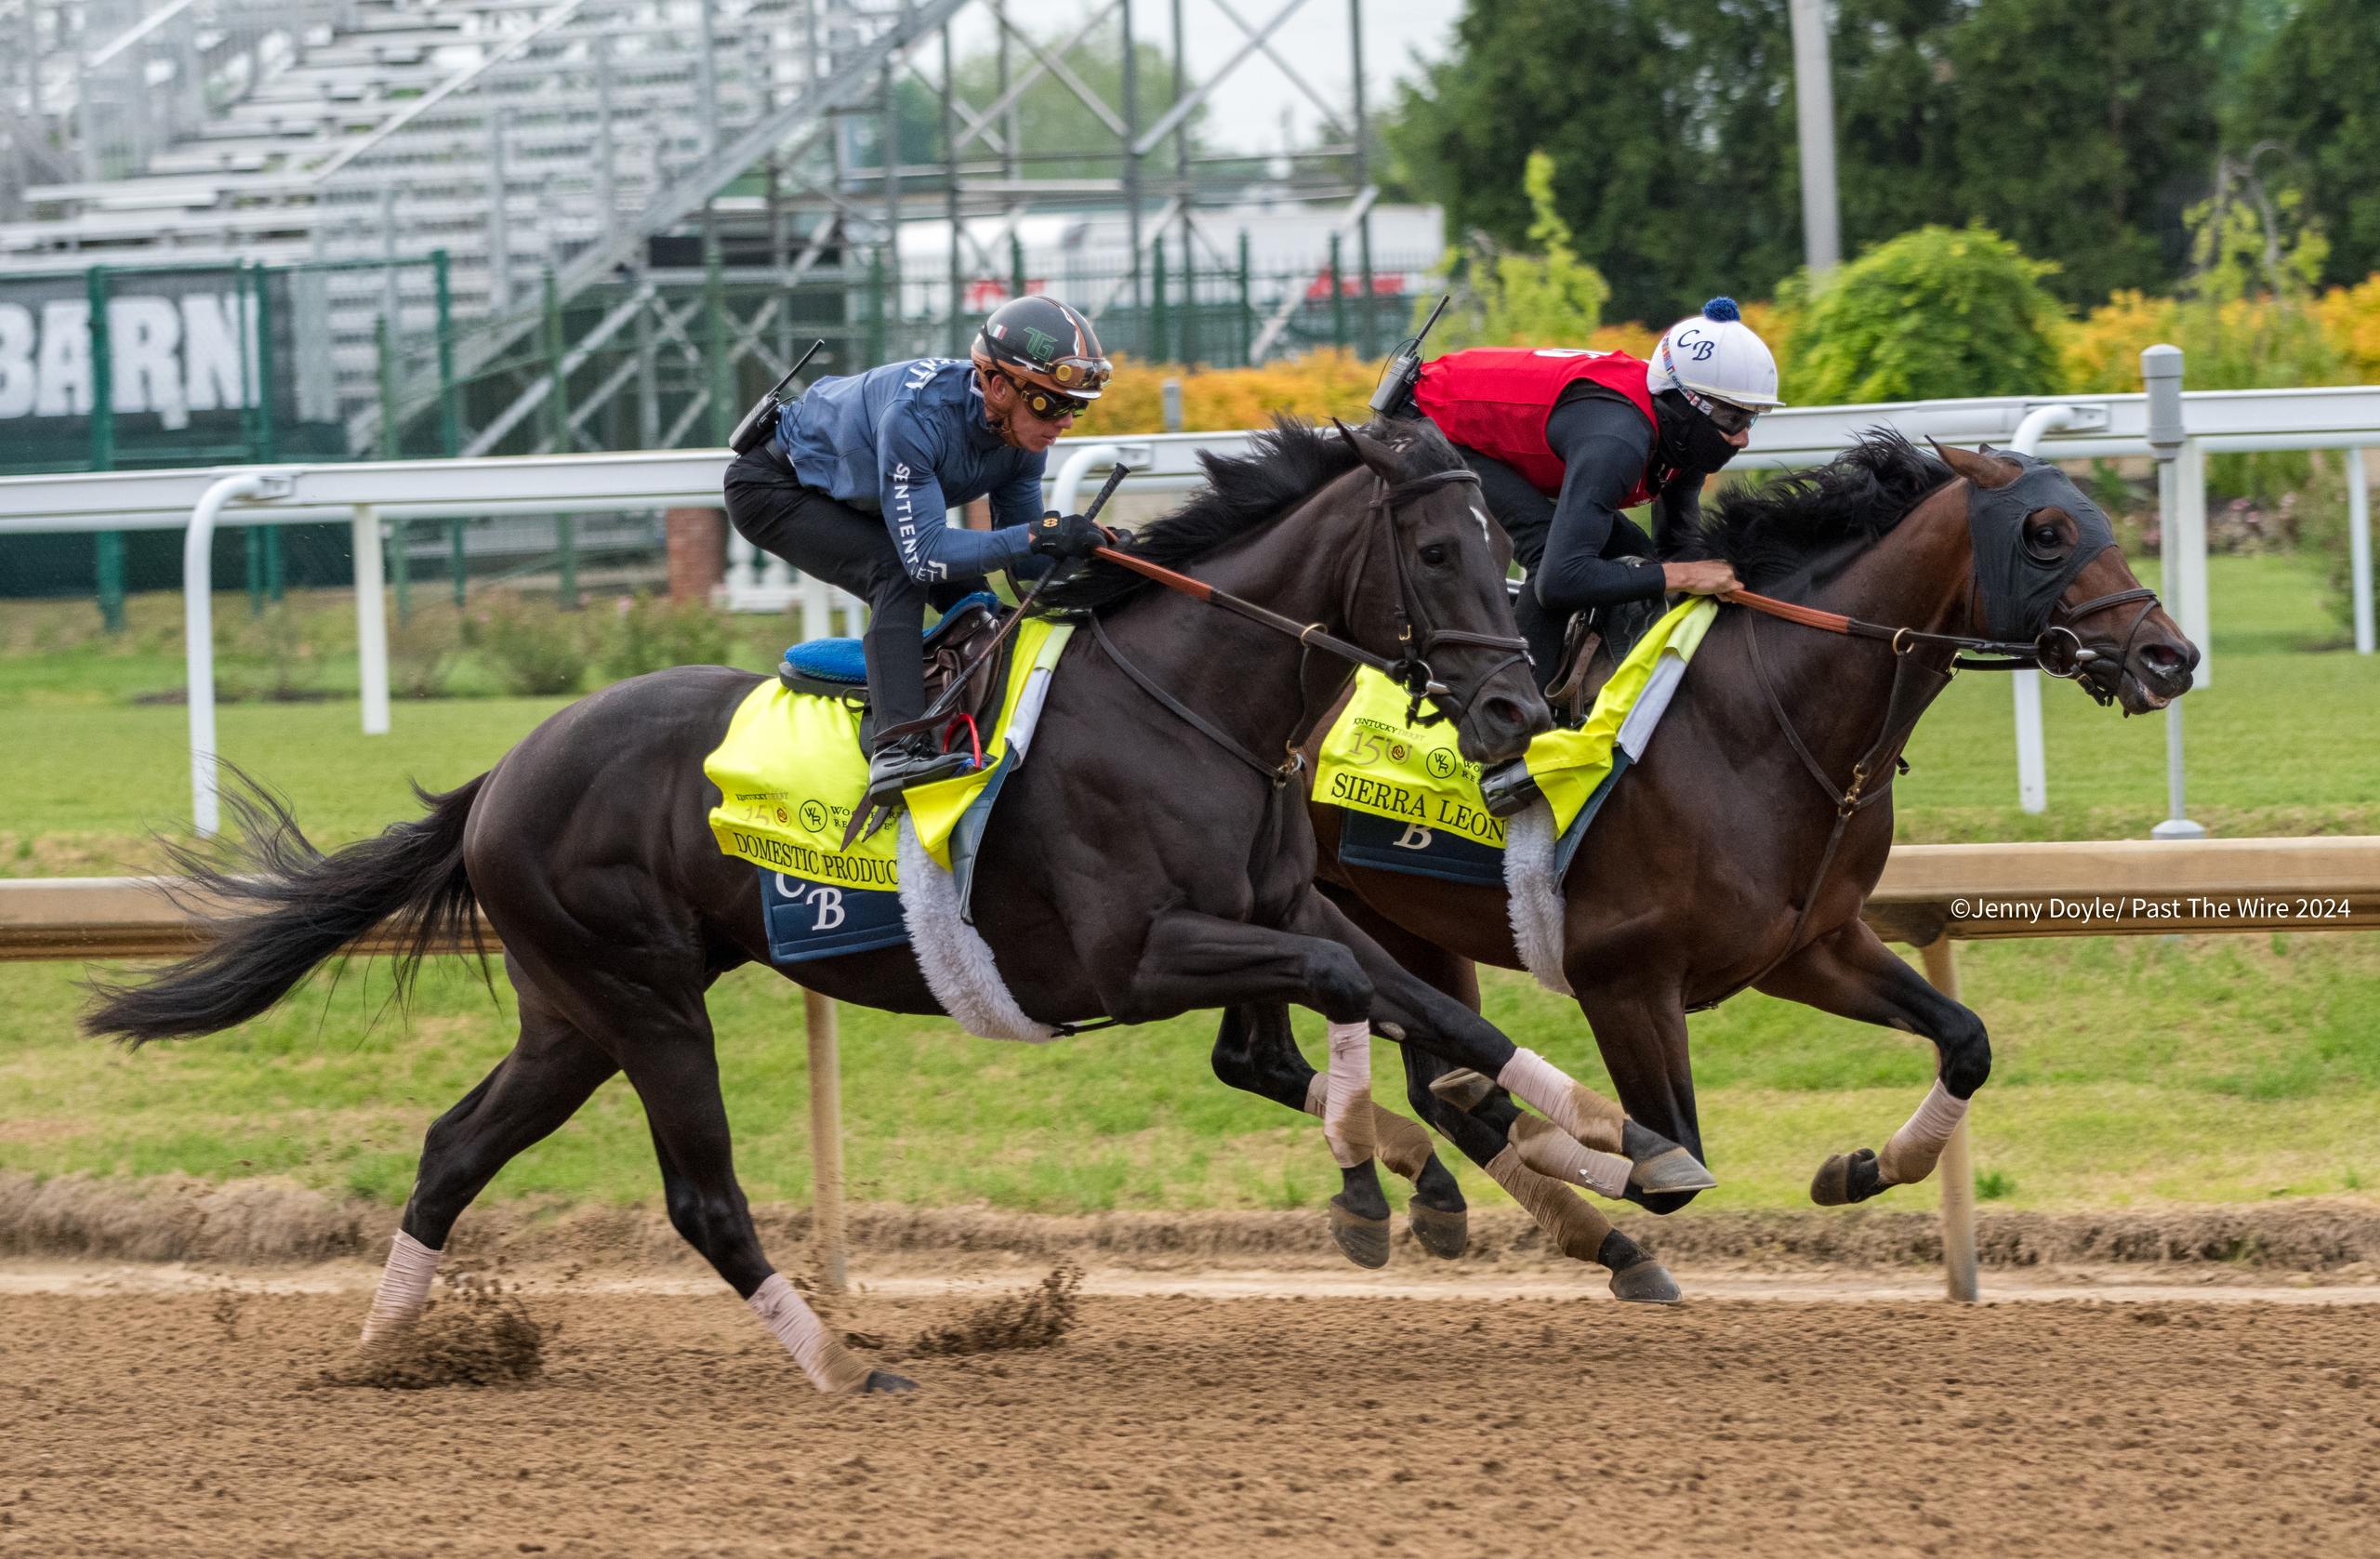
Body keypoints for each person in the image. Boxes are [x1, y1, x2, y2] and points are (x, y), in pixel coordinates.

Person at [724, 297, 1115, 804]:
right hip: (773, 488)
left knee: (978, 604)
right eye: (1053, 403)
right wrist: (1037, 535)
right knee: (896, 572)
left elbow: (1027, 562)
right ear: (998, 386)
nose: (1066, 421)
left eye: (1076, 406)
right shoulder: (918, 418)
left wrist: (1089, 550)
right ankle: (897, 748)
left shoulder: (1021, 441)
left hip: (852, 495)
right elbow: (926, 555)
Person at [1408, 297, 1783, 692]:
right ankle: (1509, 715)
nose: (1743, 438)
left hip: (1483, 432)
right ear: (1683, 404)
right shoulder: (1618, 440)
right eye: (1732, 418)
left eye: (1751, 417)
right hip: (1428, 432)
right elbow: (1560, 581)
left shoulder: (1684, 435)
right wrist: (1688, 575)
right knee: (1549, 552)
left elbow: (1674, 547)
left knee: (1633, 552)